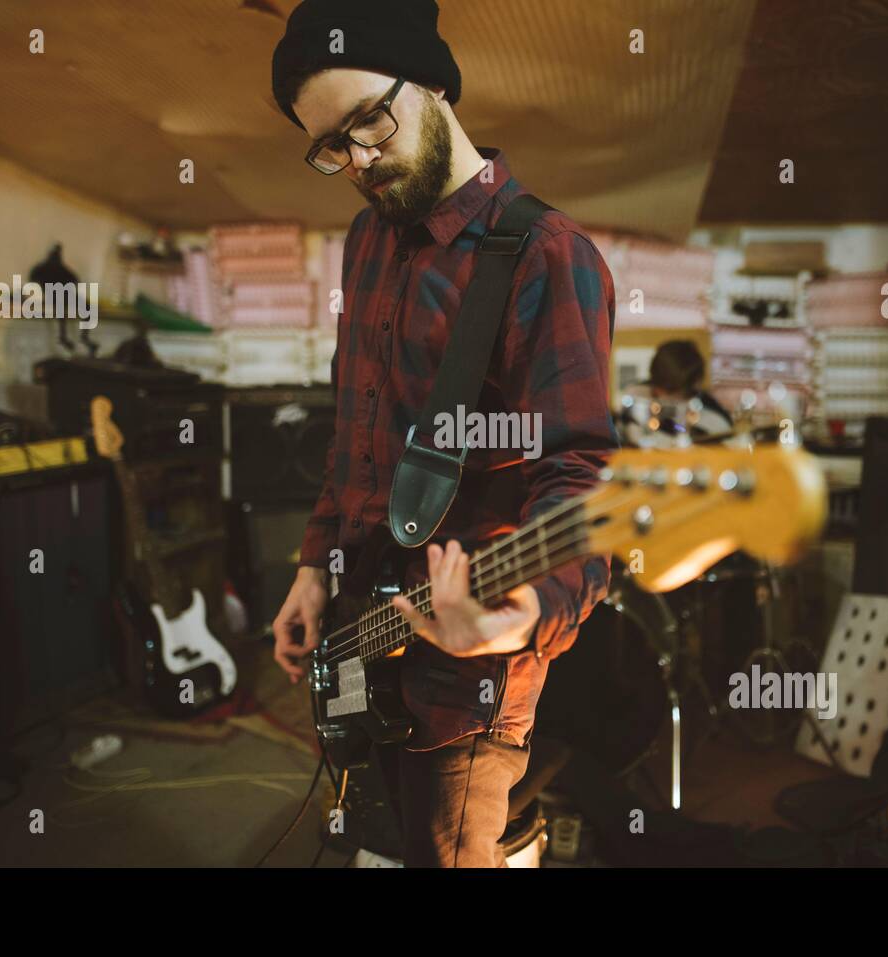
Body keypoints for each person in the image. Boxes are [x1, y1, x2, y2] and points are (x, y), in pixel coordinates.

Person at [268, 0, 618, 867]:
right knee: (367, 837)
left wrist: (526, 609)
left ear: (431, 82)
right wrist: (314, 569)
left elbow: (579, 472)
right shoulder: (364, 238)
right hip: (360, 619)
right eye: (329, 147)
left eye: (368, 122)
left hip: (467, 677)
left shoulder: (544, 253)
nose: (356, 159)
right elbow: (354, 426)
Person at [619, 339, 732, 447]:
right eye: (657, 387)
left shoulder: (715, 419)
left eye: (671, 392)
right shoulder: (635, 397)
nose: (660, 396)